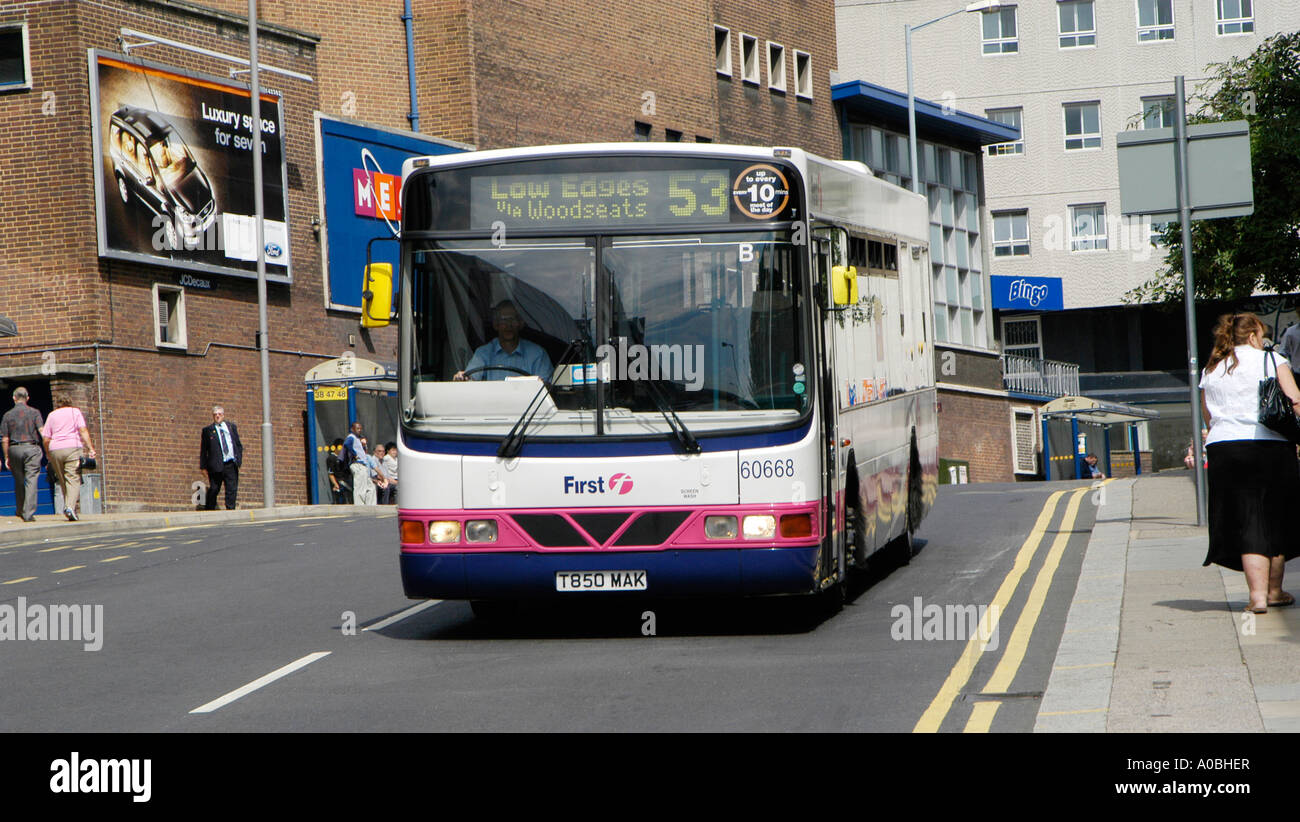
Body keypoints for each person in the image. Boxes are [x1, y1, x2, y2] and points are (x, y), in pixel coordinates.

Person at [1199, 312, 1300, 613]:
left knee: (1246, 519)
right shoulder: (1272, 360)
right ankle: (1272, 591)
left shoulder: (1213, 367)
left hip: (1224, 448)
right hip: (1269, 446)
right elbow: (1295, 400)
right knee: (1275, 517)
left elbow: (1208, 414)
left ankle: (1256, 597)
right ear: (1255, 334)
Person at [453, 300, 553, 381]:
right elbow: (470, 381)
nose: (508, 325)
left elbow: (547, 388)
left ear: (521, 323)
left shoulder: (537, 353)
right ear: (496, 324)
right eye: (503, 320)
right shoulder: (483, 353)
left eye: (513, 319)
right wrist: (462, 378)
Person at [41, 392, 96, 522]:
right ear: (69, 401)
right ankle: (70, 507)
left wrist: (48, 454)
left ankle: (69, 509)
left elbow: (46, 438)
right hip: (72, 447)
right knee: (73, 478)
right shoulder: (75, 412)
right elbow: (82, 430)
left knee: (62, 480)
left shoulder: (51, 415)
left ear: (58, 404)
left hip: (55, 449)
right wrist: (90, 448)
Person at [1, 386, 46, 522]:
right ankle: (28, 513)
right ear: (27, 398)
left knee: (19, 480)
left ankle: (20, 510)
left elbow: (4, 438)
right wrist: (48, 448)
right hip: (31, 447)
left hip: (14, 449)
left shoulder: (7, 415)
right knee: (31, 479)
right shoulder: (34, 413)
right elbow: (42, 431)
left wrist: (6, 456)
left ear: (14, 398)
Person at [199, 405, 243, 510]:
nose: (217, 416)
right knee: (214, 488)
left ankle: (230, 509)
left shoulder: (231, 427)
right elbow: (204, 450)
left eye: (219, 414)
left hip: (230, 463)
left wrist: (238, 458)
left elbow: (238, 444)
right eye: (215, 415)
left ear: (223, 415)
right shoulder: (208, 430)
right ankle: (209, 508)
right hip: (216, 465)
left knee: (231, 488)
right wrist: (203, 467)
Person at [343, 421, 375, 505]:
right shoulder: (351, 437)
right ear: (352, 429)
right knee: (360, 487)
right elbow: (346, 444)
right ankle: (359, 505)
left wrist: (363, 445)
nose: (359, 430)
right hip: (358, 464)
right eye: (357, 428)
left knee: (370, 487)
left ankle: (370, 504)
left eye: (360, 428)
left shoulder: (358, 439)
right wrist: (354, 454)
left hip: (363, 465)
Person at [325, 438, 352, 504]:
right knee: (339, 500)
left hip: (346, 482)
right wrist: (335, 484)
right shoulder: (331, 458)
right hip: (339, 482)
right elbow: (330, 473)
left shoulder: (343, 458)